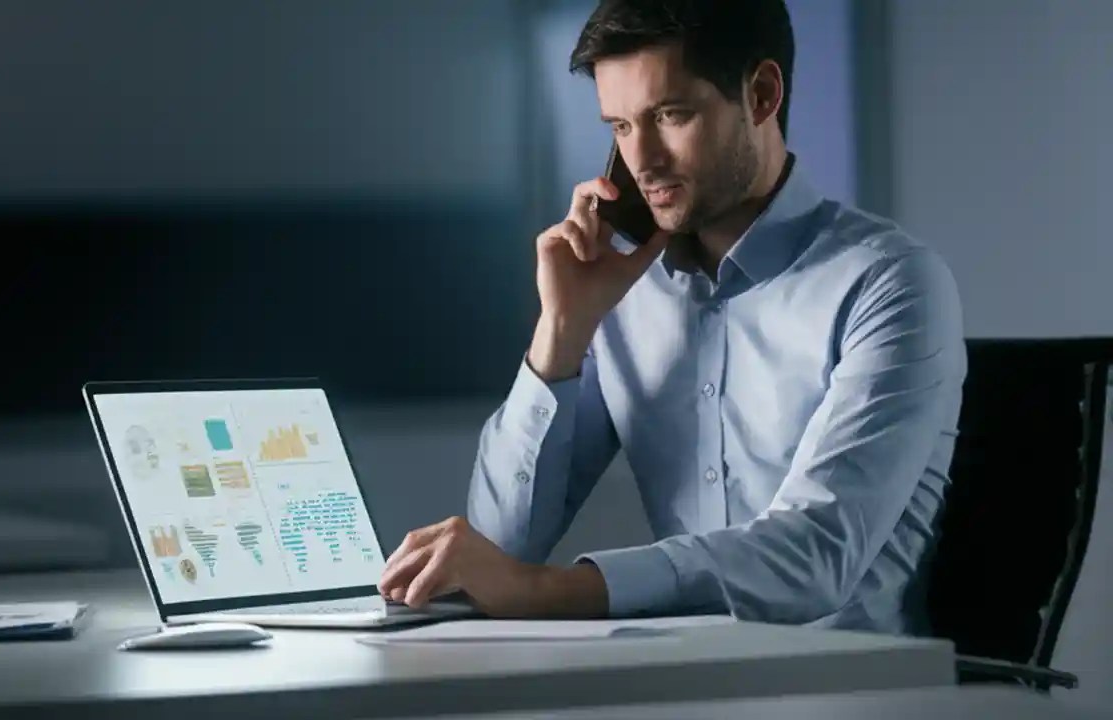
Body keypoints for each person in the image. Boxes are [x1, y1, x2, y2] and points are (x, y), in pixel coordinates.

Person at [377, 0, 965, 636]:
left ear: (762, 94)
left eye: (670, 115)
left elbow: (815, 556)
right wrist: (562, 332)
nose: (642, 161)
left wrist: (548, 591)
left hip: (850, 690)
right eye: (621, 128)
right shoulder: (622, 292)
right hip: (676, 682)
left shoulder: (889, 282)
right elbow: (501, 550)